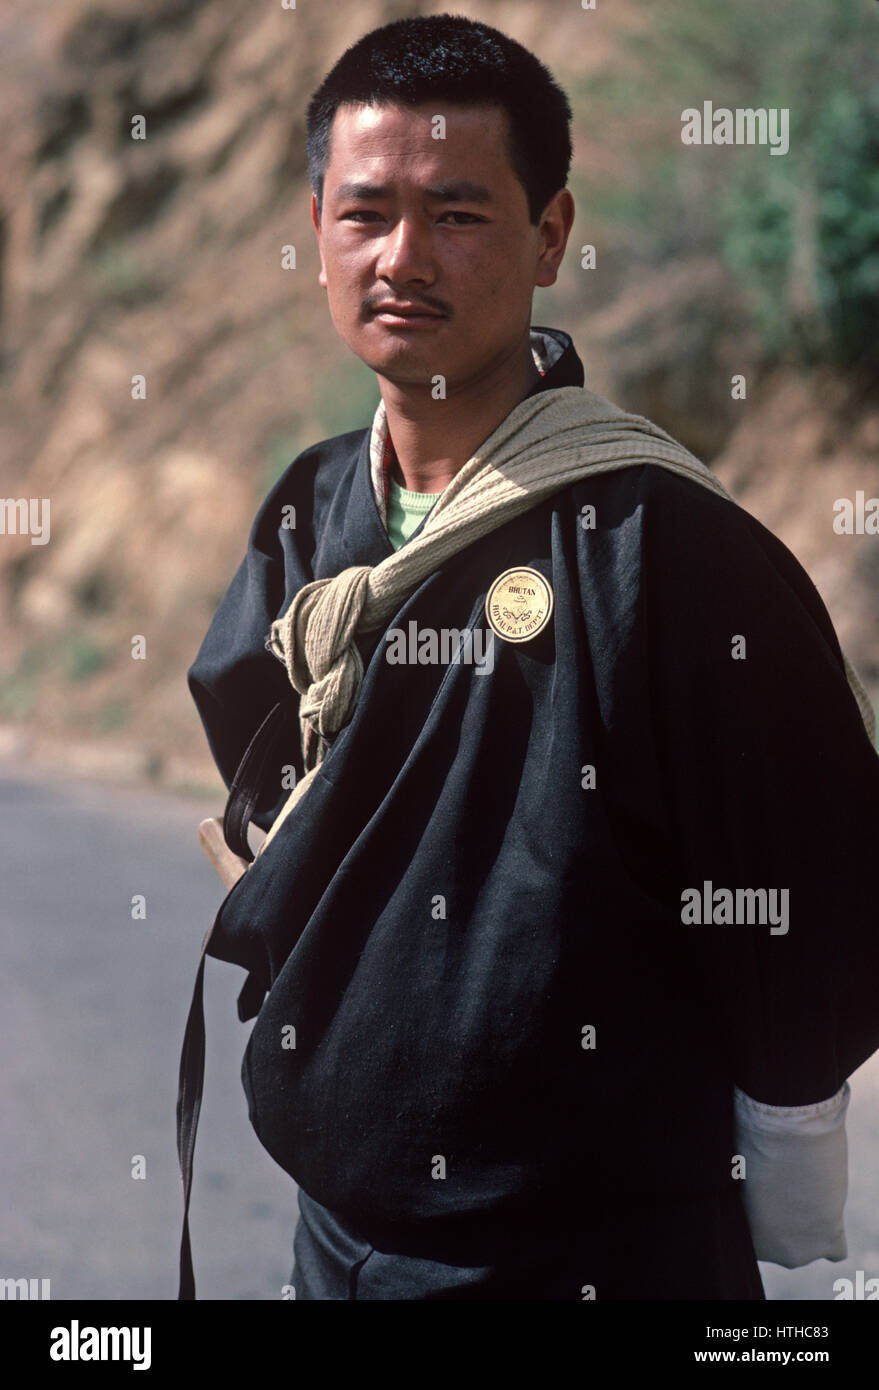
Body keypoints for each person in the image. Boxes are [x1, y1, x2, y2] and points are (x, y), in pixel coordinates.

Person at [183, 15, 879, 1300]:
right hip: (333, 1240)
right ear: (316, 227)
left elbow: (808, 886)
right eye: (365, 212)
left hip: (593, 1257)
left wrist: (786, 1150)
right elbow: (264, 780)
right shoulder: (313, 507)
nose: (404, 258)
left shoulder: (668, 551)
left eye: (458, 214)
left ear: (551, 235)